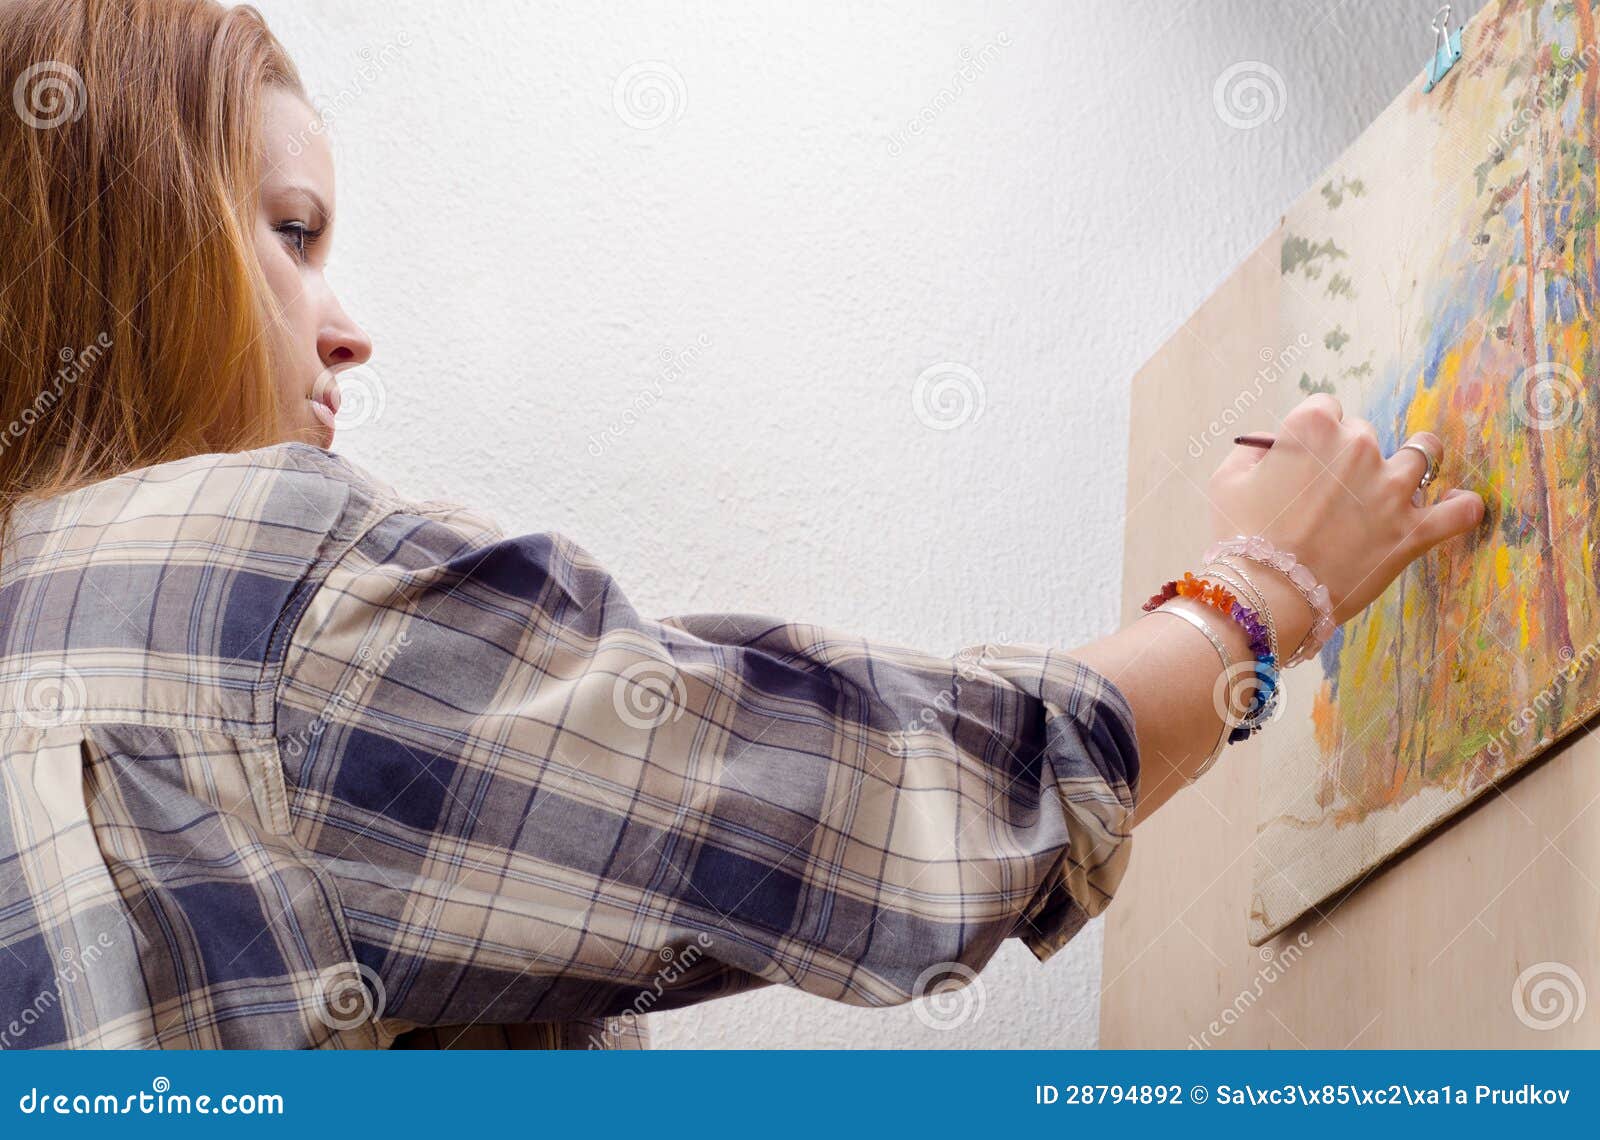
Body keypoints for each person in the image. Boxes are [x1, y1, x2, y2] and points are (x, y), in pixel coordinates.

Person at [0, 0, 1484, 1051]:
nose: (347, 328)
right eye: (292, 234)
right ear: (130, 235)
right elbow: (867, 813)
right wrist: (1252, 594)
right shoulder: (252, 583)